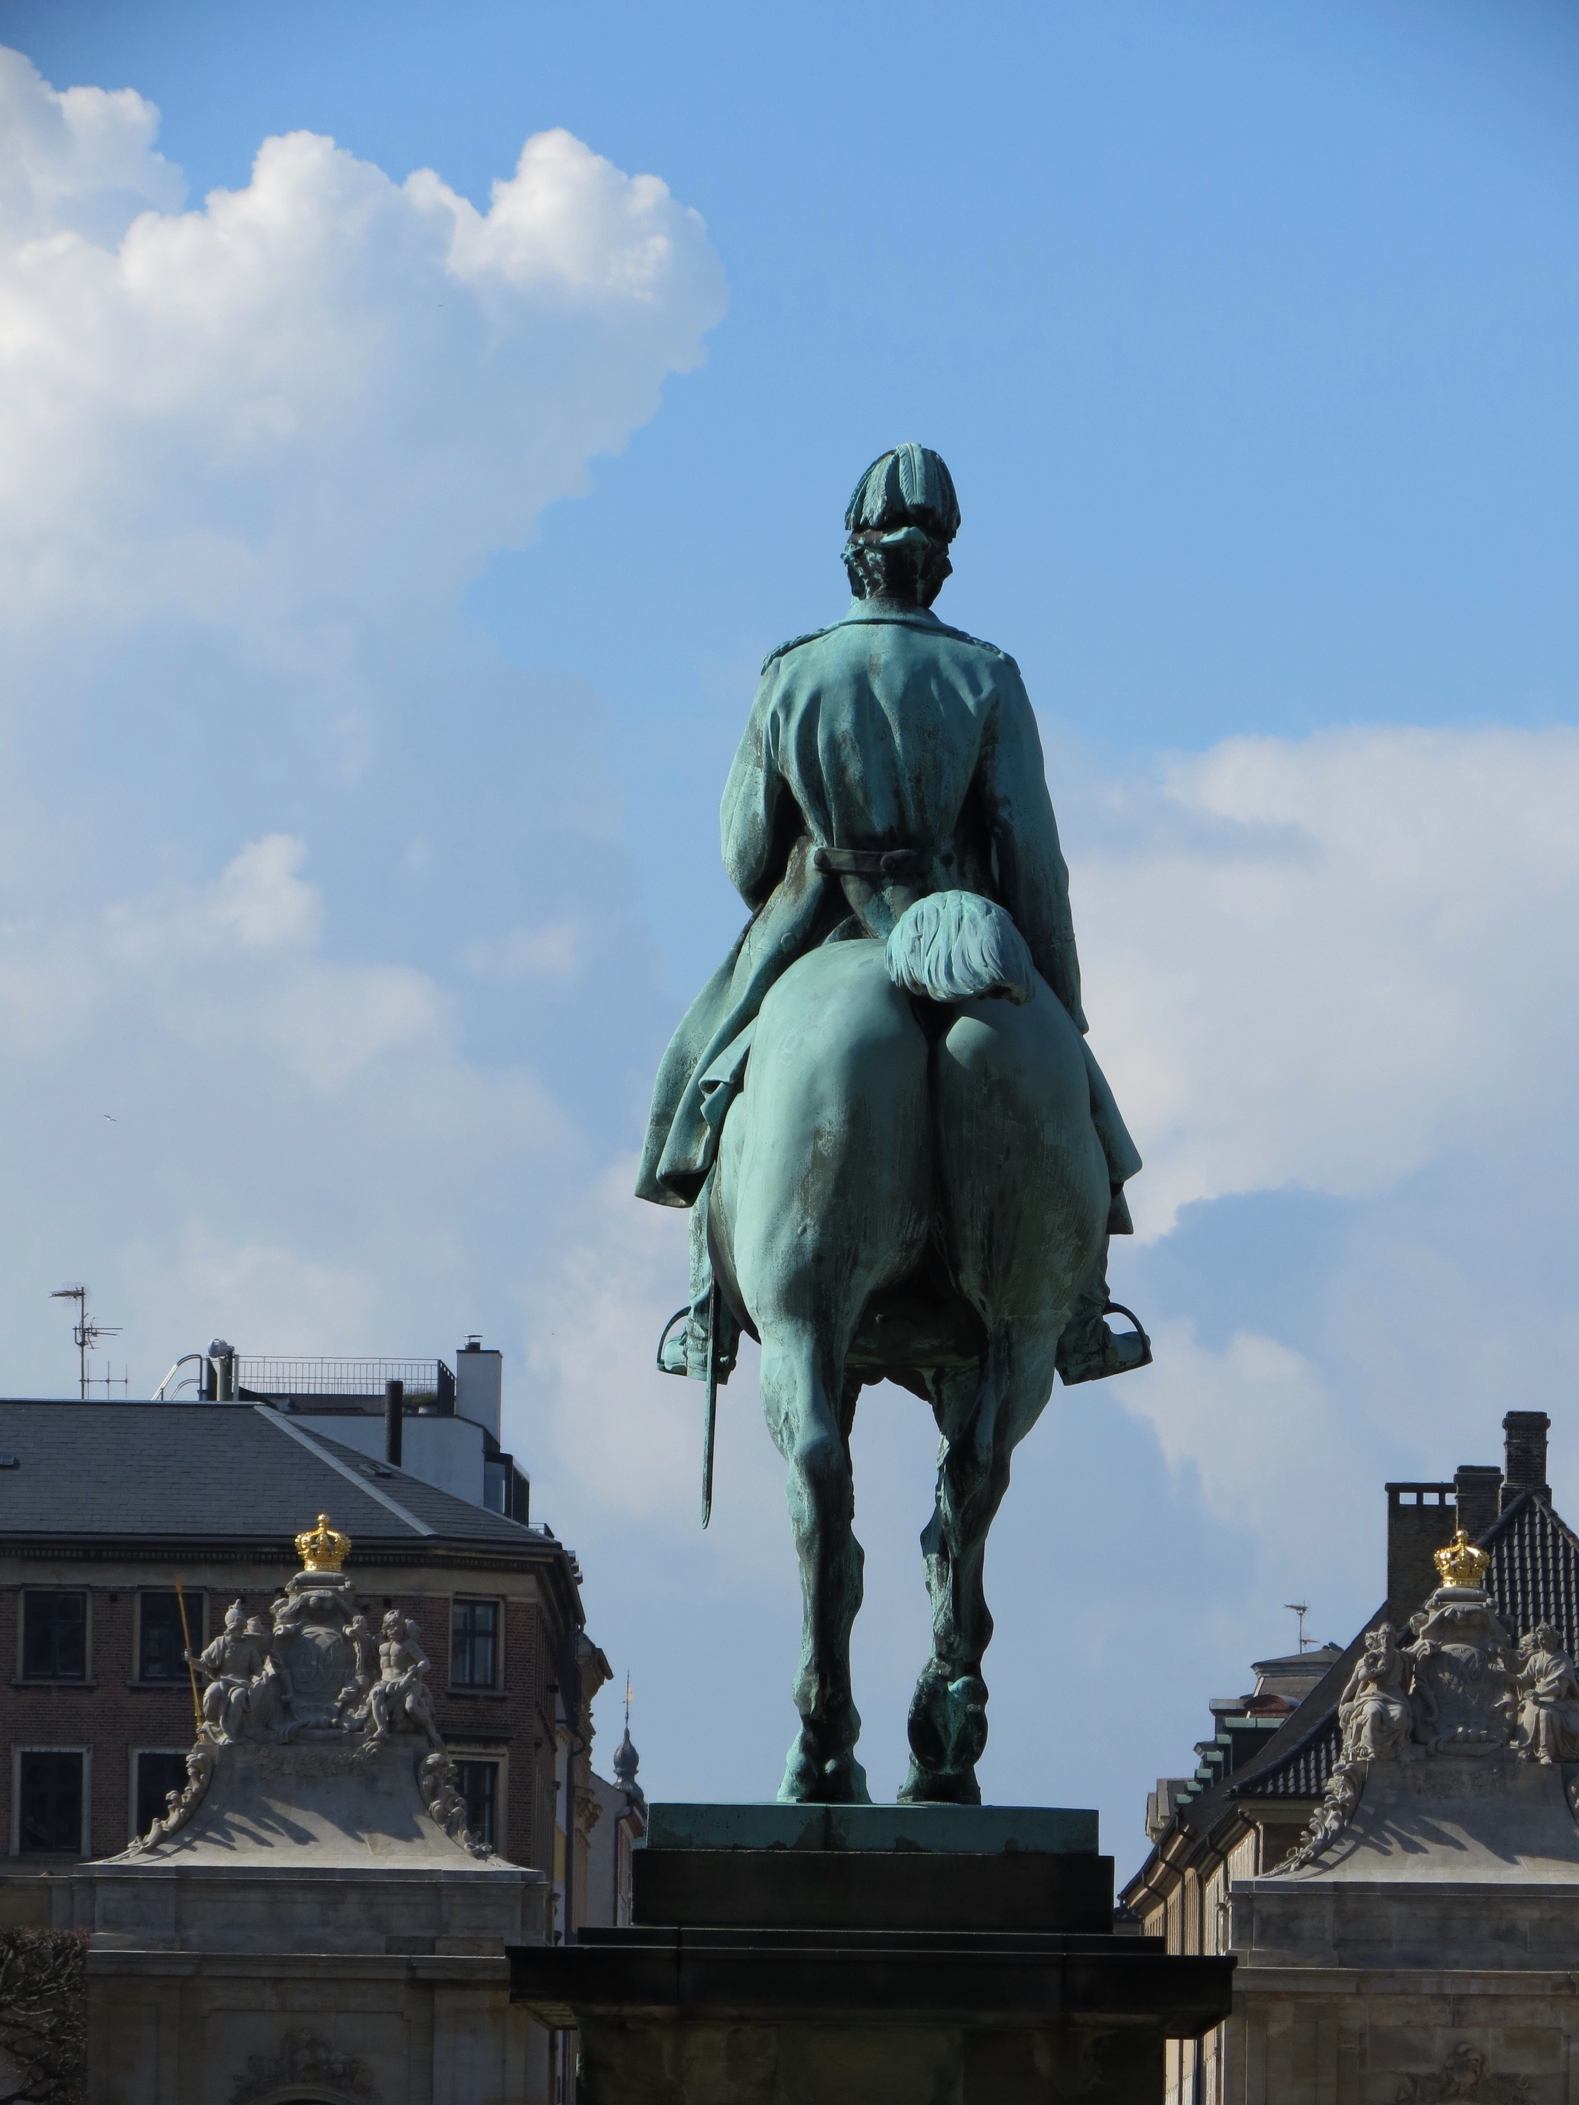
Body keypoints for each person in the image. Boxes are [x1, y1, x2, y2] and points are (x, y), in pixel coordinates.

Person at [639, 444, 1146, 1385]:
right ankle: (1079, 1315)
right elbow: (1033, 860)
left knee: (701, 1083)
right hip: (964, 934)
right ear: (941, 564)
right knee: (1080, 1115)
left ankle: (705, 1308)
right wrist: (1058, 1007)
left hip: (818, 922)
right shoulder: (986, 676)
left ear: (852, 556)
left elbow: (748, 858)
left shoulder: (791, 675)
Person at [368, 1610, 442, 1749]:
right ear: (386, 1627)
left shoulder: (408, 1644)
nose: (396, 1628)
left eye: (399, 1625)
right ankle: (382, 1729)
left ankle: (431, 1731)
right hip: (385, 1682)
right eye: (392, 1625)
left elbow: (425, 1662)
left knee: (411, 1707)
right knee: (375, 1693)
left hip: (406, 1682)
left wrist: (417, 1669)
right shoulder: (380, 1643)